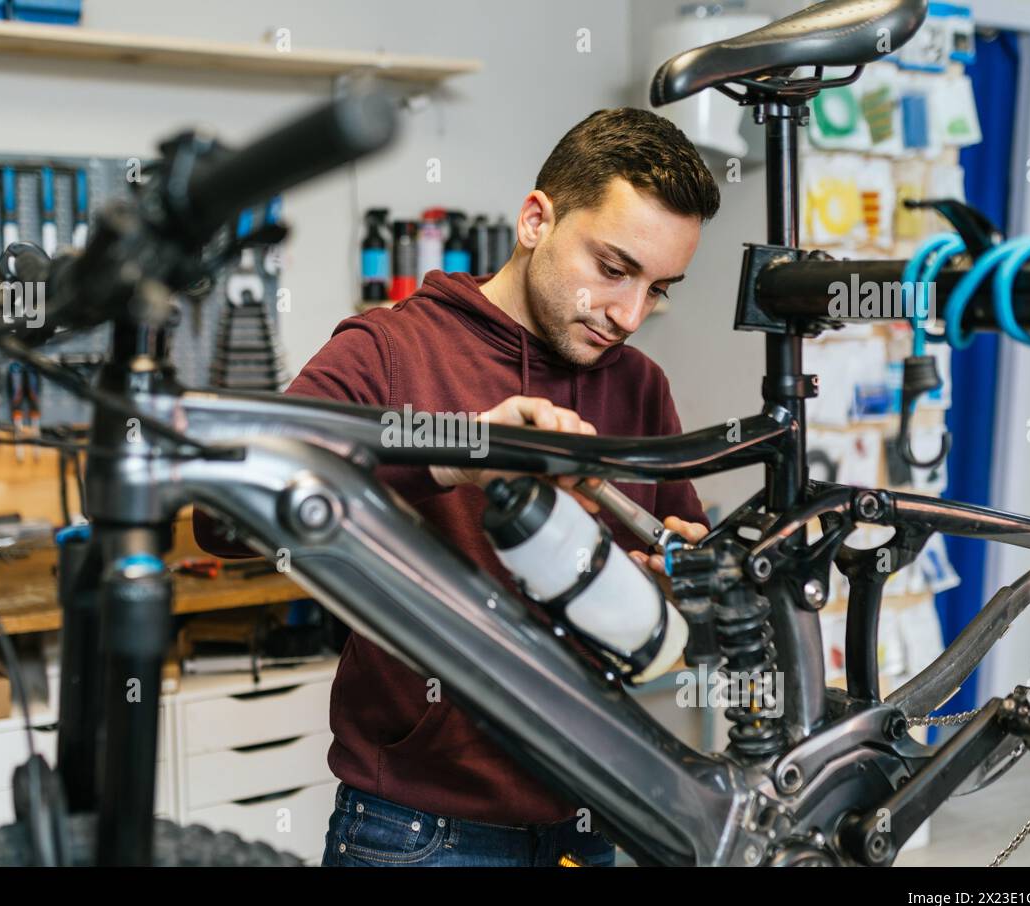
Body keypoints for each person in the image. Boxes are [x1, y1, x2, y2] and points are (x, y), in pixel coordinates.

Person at [196, 106, 719, 866]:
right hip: (420, 834)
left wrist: (681, 584)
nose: (630, 314)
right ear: (536, 219)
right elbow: (225, 514)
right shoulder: (388, 349)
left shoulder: (639, 387)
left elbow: (680, 580)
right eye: (613, 269)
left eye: (659, 288)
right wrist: (455, 454)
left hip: (592, 825)